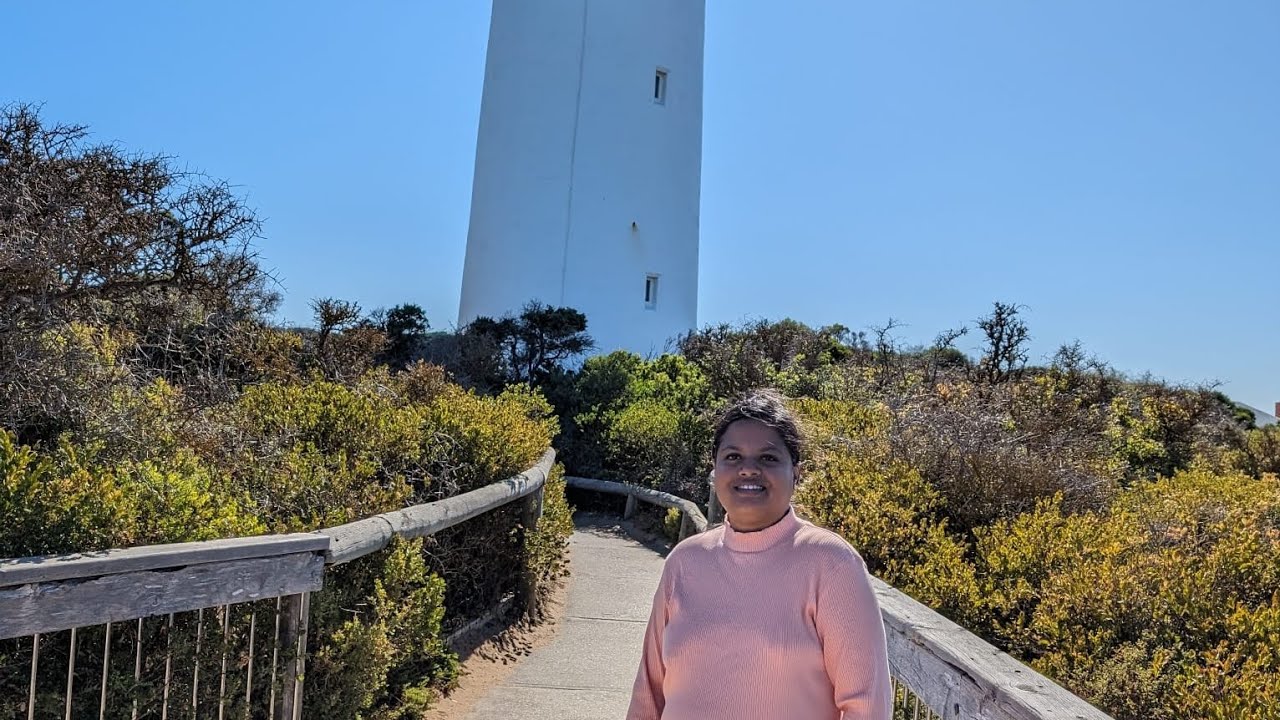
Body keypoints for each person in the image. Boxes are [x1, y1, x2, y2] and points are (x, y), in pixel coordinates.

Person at [626, 389, 892, 720]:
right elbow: (648, 694)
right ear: (715, 469)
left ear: (796, 473)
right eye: (733, 457)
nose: (748, 469)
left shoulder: (832, 564)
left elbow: (866, 707)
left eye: (768, 458)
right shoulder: (684, 561)